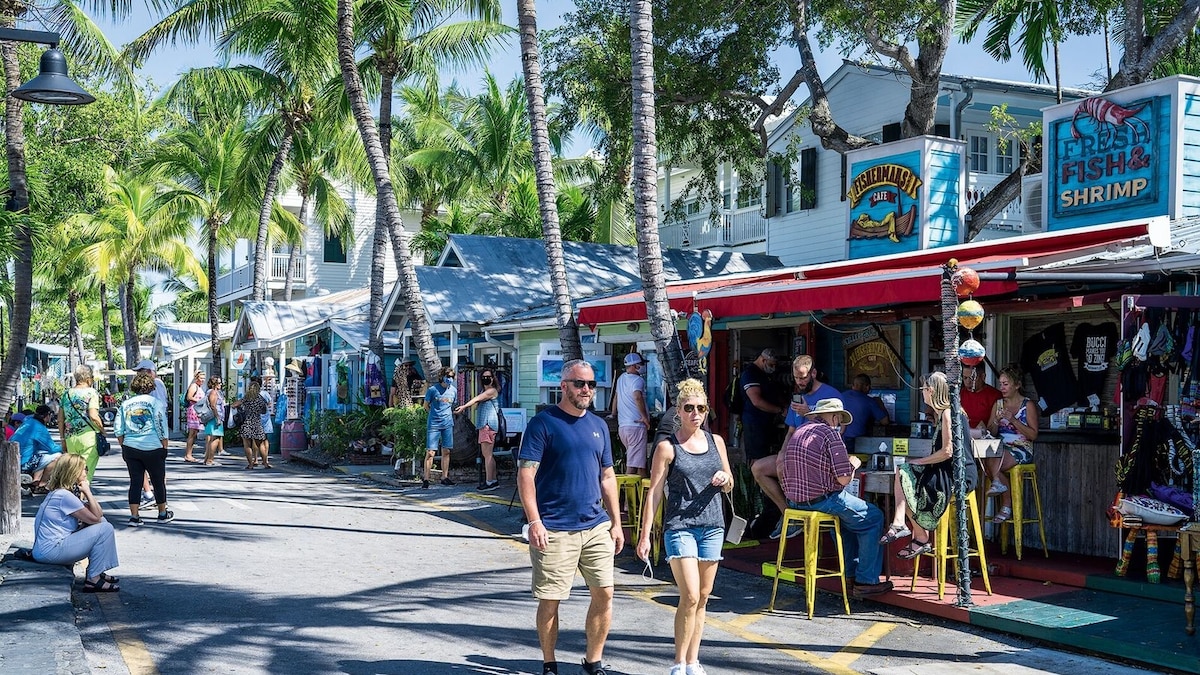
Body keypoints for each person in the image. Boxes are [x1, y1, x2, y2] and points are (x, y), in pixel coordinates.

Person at [518, 359, 622, 675]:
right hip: (554, 528)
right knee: (551, 599)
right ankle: (550, 663)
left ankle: (593, 661)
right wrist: (534, 521)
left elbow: (607, 475)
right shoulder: (543, 423)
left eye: (592, 384)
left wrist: (616, 523)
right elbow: (525, 475)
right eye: (580, 384)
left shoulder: (599, 425)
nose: (587, 390)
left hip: (595, 525)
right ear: (563, 386)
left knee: (605, 593)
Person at [637, 379, 733, 675]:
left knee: (703, 597)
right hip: (680, 526)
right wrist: (644, 536)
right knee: (689, 595)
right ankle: (678, 663)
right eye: (689, 408)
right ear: (678, 410)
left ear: (706, 411)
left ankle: (693, 661)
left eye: (700, 408)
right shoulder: (667, 447)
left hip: (713, 525)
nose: (695, 413)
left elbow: (730, 482)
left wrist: (724, 479)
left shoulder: (716, 441)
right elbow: (654, 491)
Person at [778, 398, 892, 599]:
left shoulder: (799, 431)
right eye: (838, 417)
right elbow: (844, 478)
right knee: (873, 518)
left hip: (794, 504)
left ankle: (849, 575)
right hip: (822, 502)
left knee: (845, 524)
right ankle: (866, 581)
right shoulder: (831, 434)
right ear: (833, 416)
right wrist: (854, 464)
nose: (839, 421)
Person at [881, 372, 978, 558]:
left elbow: (947, 452)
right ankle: (904, 526)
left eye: (924, 389)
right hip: (949, 471)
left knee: (906, 474)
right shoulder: (945, 413)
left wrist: (919, 461)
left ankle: (917, 535)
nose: (922, 393)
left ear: (931, 391)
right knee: (905, 476)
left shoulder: (949, 413)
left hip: (958, 475)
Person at [751, 355, 839, 539]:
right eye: (796, 378)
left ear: (813, 373)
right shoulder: (798, 397)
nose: (799, 382)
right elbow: (791, 430)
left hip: (820, 458)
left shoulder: (830, 395)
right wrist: (783, 452)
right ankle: (790, 516)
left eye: (803, 377)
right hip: (796, 454)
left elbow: (836, 430)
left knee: (790, 467)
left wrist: (809, 413)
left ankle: (797, 513)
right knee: (758, 468)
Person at [31, 454, 120, 592]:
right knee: (105, 528)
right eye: (84, 469)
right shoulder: (64, 496)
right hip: (50, 552)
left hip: (45, 550)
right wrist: (88, 491)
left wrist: (85, 492)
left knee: (103, 522)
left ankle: (96, 569)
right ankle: (93, 579)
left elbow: (98, 515)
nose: (86, 472)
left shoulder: (62, 492)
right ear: (73, 471)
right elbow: (95, 518)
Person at [116, 371, 174, 526]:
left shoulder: (125, 404)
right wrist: (164, 445)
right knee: (158, 481)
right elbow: (161, 426)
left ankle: (134, 516)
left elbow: (118, 429)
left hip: (131, 447)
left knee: (135, 482)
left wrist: (124, 445)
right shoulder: (156, 403)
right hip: (153, 446)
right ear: (151, 387)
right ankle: (162, 513)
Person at [985, 365, 1039, 524]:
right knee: (983, 455)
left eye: (1006, 384)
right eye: (1000, 383)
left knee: (995, 457)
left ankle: (1006, 503)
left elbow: (1033, 435)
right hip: (1000, 446)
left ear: (1017, 385)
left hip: (1021, 447)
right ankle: (998, 483)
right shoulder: (998, 404)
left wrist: (1013, 420)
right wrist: (996, 421)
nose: (1001, 387)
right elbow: (990, 432)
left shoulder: (1027, 405)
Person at [454, 368, 502, 491]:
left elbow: (477, 398)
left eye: (488, 377)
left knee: (488, 455)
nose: (486, 379)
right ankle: (493, 479)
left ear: (493, 379)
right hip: (484, 425)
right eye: (484, 377)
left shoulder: (491, 391)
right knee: (488, 455)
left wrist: (464, 406)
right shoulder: (485, 390)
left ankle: (489, 481)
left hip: (488, 425)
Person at [739, 348, 784, 464]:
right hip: (755, 423)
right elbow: (756, 401)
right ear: (763, 360)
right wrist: (779, 410)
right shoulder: (750, 374)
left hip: (766, 422)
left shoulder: (763, 374)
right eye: (771, 364)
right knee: (757, 458)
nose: (773, 368)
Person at [58, 364, 104, 480]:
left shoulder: (66, 394)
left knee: (74, 470)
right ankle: (82, 496)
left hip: (70, 437)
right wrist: (103, 430)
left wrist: (62, 438)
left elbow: (60, 419)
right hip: (88, 436)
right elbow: (93, 416)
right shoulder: (91, 393)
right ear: (88, 378)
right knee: (85, 472)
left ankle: (75, 495)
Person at [611, 352, 651, 477]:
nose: (643, 366)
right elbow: (637, 397)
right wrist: (644, 417)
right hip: (636, 426)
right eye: (641, 364)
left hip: (623, 426)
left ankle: (642, 493)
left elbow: (616, 398)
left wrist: (613, 414)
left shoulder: (621, 378)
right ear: (634, 366)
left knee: (639, 462)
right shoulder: (638, 380)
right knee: (632, 466)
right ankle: (624, 493)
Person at [134, 360, 165, 504]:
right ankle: (154, 495)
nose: (138, 375)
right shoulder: (159, 384)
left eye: (140, 371)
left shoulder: (155, 384)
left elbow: (156, 408)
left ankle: (151, 494)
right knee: (155, 466)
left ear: (148, 371)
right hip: (154, 429)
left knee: (145, 466)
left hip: (149, 429)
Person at [423, 366, 457, 489]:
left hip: (447, 423)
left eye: (452, 377)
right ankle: (426, 479)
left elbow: (453, 405)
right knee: (431, 452)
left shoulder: (453, 390)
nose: (450, 379)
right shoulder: (432, 390)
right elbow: (425, 406)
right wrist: (433, 415)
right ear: (442, 377)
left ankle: (445, 476)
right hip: (434, 424)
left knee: (446, 450)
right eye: (448, 376)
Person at [839, 373, 890, 451]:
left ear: (853, 386)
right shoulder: (869, 401)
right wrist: (880, 403)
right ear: (867, 387)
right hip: (857, 441)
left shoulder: (841, 396)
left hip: (839, 438)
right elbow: (885, 421)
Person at [14, 406, 60, 490]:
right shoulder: (39, 428)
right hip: (23, 462)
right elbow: (52, 448)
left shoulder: (28, 422)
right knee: (58, 456)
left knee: (42, 455)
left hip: (16, 457)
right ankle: (42, 485)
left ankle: (36, 480)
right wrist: (65, 447)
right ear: (47, 415)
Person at [232, 379, 270, 469]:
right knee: (260, 444)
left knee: (247, 445)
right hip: (257, 422)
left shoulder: (246, 398)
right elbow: (264, 411)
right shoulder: (260, 399)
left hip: (247, 422)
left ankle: (250, 464)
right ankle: (265, 463)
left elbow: (234, 405)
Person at [960, 363, 1001, 431]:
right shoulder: (959, 394)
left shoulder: (995, 396)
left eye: (972, 378)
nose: (968, 382)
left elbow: (993, 430)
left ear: (983, 377)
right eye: (965, 378)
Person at [202, 376, 227, 466]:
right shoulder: (213, 392)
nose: (221, 385)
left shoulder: (213, 392)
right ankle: (210, 460)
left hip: (214, 417)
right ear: (215, 384)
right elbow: (213, 406)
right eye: (219, 383)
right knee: (215, 438)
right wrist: (217, 417)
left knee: (212, 439)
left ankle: (207, 459)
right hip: (215, 418)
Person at [183, 370, 206, 462]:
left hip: (198, 411)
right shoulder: (194, 386)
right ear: (196, 378)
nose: (202, 380)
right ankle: (188, 454)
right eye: (201, 378)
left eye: (204, 378)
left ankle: (189, 454)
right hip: (193, 411)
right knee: (192, 434)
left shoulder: (199, 387)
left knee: (194, 433)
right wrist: (200, 401)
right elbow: (189, 397)